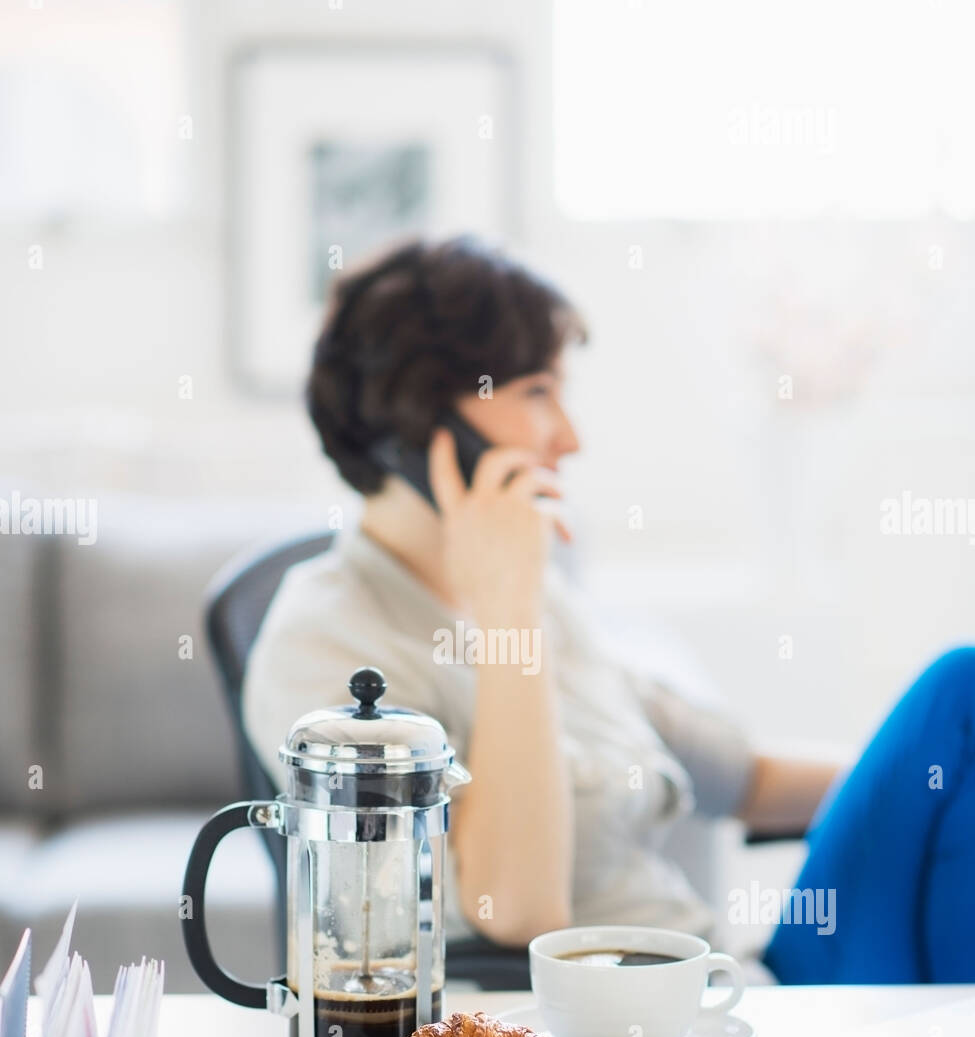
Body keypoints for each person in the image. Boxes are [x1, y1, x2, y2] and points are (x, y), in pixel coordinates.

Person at [241, 236, 975, 985]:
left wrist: (941, 779)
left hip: (731, 995)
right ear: (424, 421)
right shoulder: (325, 641)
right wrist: (507, 616)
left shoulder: (545, 600)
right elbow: (513, 908)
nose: (570, 437)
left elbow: (742, 780)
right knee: (963, 684)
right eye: (535, 393)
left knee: (963, 720)